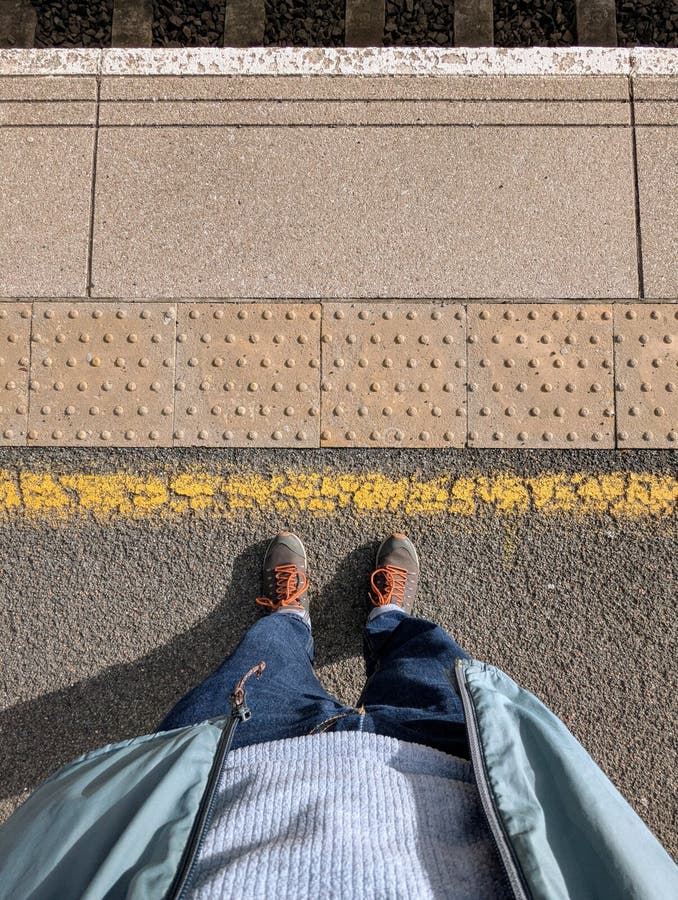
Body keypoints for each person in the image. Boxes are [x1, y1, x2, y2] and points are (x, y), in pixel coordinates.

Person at [0, 532, 675, 900]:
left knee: (262, 655)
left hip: (233, 773)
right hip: (456, 770)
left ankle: (291, 619)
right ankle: (388, 620)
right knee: (429, 657)